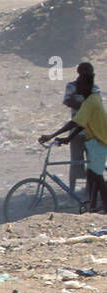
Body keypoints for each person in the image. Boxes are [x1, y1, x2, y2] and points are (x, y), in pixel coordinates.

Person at [41, 62, 107, 213]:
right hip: (95, 140)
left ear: (85, 87)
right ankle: (93, 206)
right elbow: (81, 124)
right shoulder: (91, 99)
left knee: (97, 177)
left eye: (80, 87)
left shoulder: (90, 102)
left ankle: (103, 208)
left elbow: (74, 122)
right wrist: (68, 139)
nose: (76, 89)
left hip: (99, 141)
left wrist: (52, 135)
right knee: (92, 175)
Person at [61, 62, 100, 198]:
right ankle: (72, 192)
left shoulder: (94, 88)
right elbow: (67, 101)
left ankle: (89, 194)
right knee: (75, 163)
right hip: (77, 130)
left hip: (90, 132)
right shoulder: (72, 86)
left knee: (91, 163)